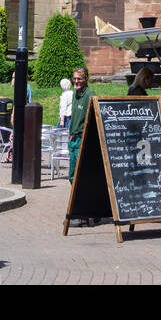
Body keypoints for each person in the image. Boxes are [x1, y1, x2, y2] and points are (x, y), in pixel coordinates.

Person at [67, 66, 95, 225]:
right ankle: (86, 209)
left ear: (86, 79)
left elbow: (92, 118)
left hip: (81, 141)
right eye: (75, 78)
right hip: (73, 140)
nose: (76, 81)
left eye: (79, 78)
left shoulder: (89, 95)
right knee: (72, 176)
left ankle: (82, 213)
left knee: (77, 177)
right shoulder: (75, 94)